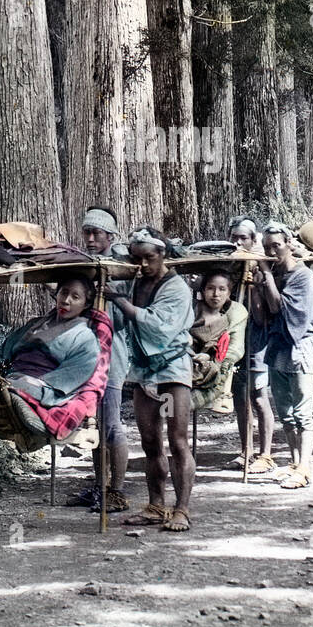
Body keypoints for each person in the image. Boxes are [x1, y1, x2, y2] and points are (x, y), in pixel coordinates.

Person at [111, 228, 197, 532]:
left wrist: (121, 303)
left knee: (177, 440)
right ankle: (156, 505)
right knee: (149, 441)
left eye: (150, 257)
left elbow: (159, 327)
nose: (144, 264)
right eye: (138, 259)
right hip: (145, 368)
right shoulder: (134, 284)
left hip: (173, 367)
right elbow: (122, 322)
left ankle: (182, 509)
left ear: (163, 254)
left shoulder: (177, 288)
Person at [66, 207, 131, 512]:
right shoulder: (86, 263)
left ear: (110, 236)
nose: (90, 239)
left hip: (112, 355)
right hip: (86, 354)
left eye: (97, 234)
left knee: (112, 425)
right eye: (87, 233)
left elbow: (122, 315)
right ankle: (99, 485)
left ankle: (116, 490)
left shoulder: (118, 265)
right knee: (95, 424)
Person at [251, 220, 313, 488]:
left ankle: (304, 468)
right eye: (267, 248)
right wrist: (259, 286)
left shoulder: (304, 277)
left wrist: (267, 277)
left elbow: (287, 313)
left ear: (289, 244)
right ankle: (293, 462)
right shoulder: (276, 276)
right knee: (286, 413)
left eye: (276, 246)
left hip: (300, 349)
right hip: (278, 349)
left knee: (303, 413)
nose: (271, 252)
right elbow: (264, 315)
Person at [0, 272, 101, 407]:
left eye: (75, 297)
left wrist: (38, 381)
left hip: (42, 388)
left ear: (86, 304)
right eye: (63, 293)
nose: (66, 300)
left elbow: (77, 371)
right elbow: (6, 350)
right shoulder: (36, 323)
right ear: (56, 294)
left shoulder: (84, 337)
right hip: (11, 377)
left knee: (11, 388)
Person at [226, 216, 277, 473]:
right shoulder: (228, 270)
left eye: (243, 237)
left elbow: (260, 315)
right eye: (234, 237)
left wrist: (255, 286)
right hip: (234, 343)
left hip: (257, 341)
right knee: (239, 398)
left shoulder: (261, 268)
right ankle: (245, 450)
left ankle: (266, 454)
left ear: (253, 240)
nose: (238, 242)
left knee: (259, 397)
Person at [190, 270, 247, 414]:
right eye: (210, 288)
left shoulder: (236, 312)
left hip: (217, 368)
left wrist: (211, 359)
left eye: (222, 289)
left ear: (229, 293)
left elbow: (236, 348)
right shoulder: (194, 309)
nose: (216, 294)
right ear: (203, 290)